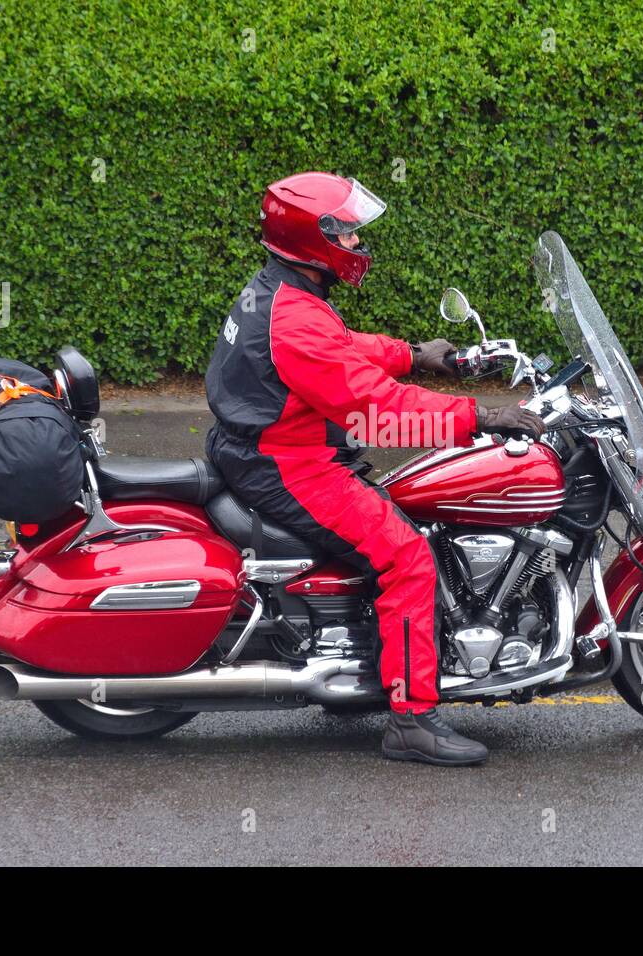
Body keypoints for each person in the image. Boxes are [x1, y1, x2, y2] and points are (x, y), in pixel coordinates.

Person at [205, 171, 544, 766]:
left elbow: (342, 347)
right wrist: (481, 416)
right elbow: (375, 408)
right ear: (318, 239)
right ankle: (412, 721)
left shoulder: (284, 294)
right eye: (352, 236)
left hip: (271, 450)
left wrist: (415, 355)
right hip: (289, 465)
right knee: (408, 555)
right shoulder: (294, 317)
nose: (360, 247)